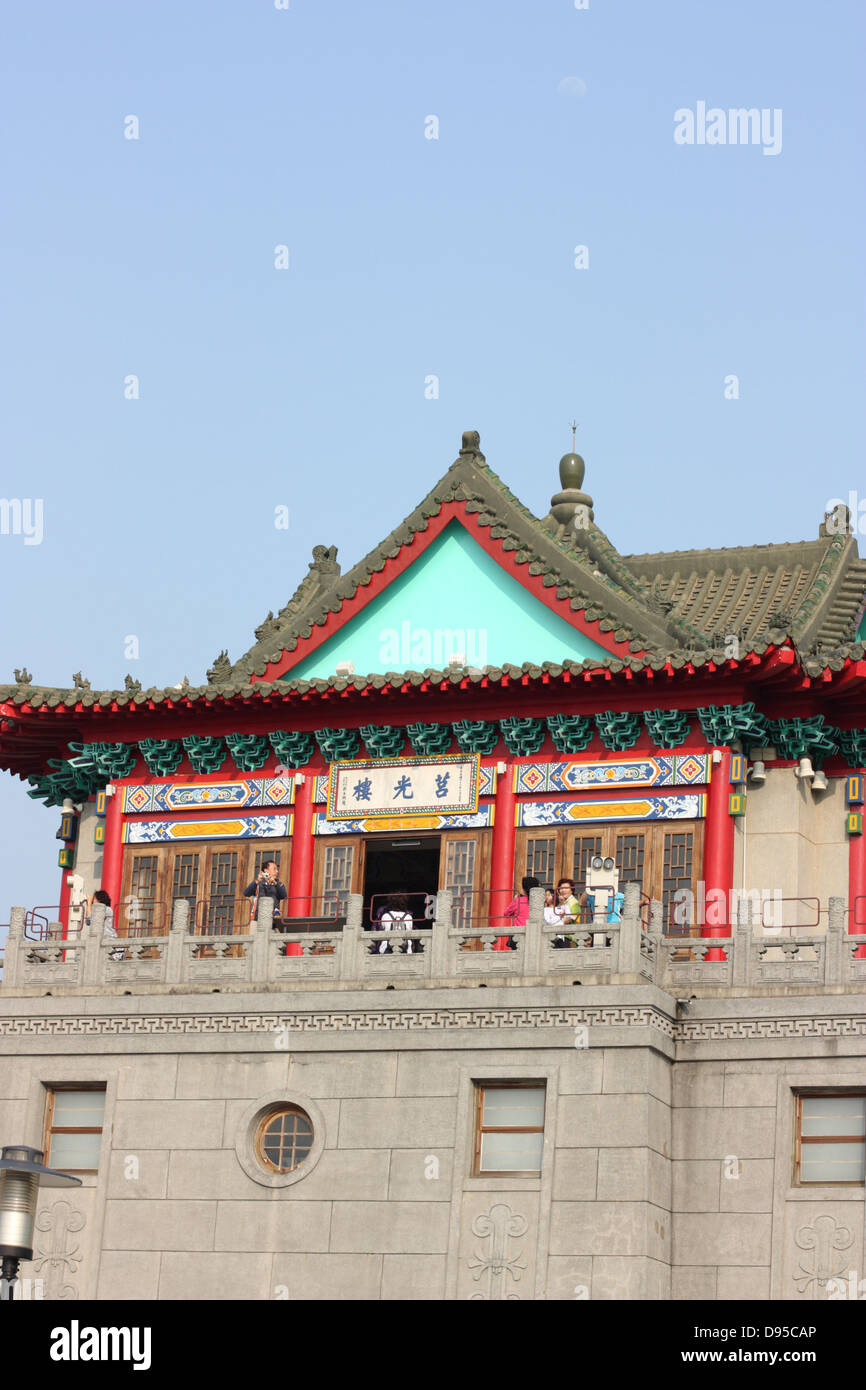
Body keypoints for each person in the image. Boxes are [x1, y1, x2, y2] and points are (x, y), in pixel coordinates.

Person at [500, 875, 540, 950]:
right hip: (535, 934)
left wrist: (515, 899)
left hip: (519, 934)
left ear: (524, 888)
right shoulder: (539, 901)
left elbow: (506, 913)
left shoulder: (518, 901)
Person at [243, 860, 288, 927]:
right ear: (266, 870)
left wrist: (275, 883)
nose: (277, 871)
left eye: (277, 869)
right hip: (257, 919)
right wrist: (257, 881)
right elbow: (246, 893)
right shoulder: (258, 883)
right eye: (274, 869)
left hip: (273, 920)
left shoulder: (279, 884)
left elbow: (284, 896)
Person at [86, 889, 125, 961]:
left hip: (110, 943)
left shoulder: (106, 909)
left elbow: (89, 918)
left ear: (99, 900)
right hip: (104, 942)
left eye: (94, 899)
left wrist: (88, 904)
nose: (92, 901)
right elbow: (88, 922)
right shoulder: (105, 910)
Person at [551, 877, 582, 948]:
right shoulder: (562, 902)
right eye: (561, 888)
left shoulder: (574, 903)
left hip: (569, 937)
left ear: (572, 890)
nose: (563, 890)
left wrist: (552, 923)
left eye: (566, 888)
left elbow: (569, 919)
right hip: (561, 935)